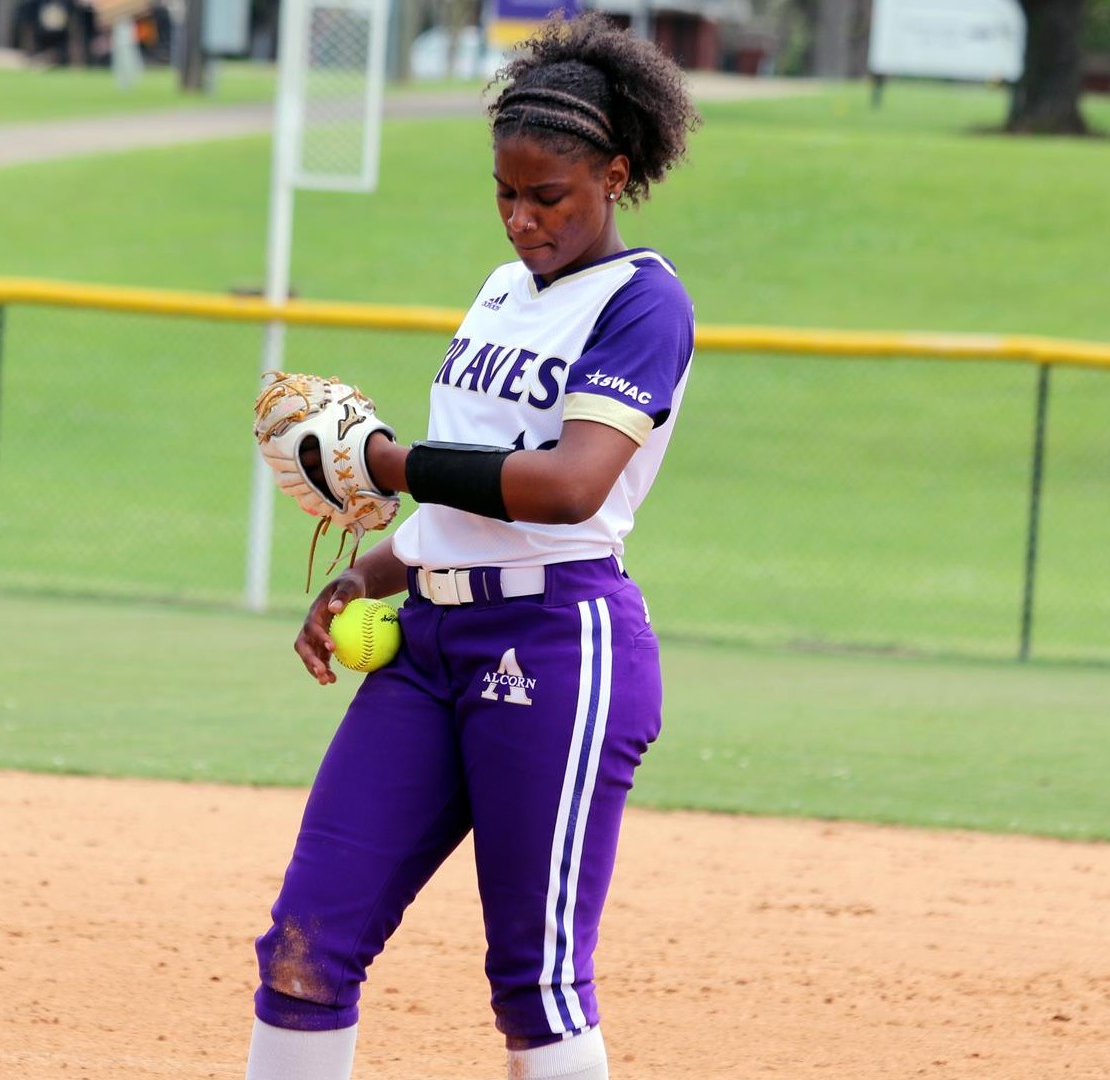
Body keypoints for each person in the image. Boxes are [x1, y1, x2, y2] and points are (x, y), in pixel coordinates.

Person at [245, 13, 699, 1080]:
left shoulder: (643, 302)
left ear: (614, 175)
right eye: (505, 193)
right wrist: (373, 567)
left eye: (548, 196)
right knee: (302, 951)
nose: (520, 219)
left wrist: (388, 461)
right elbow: (475, 478)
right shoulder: (501, 293)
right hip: (429, 643)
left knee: (534, 986)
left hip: (556, 643)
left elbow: (567, 484)